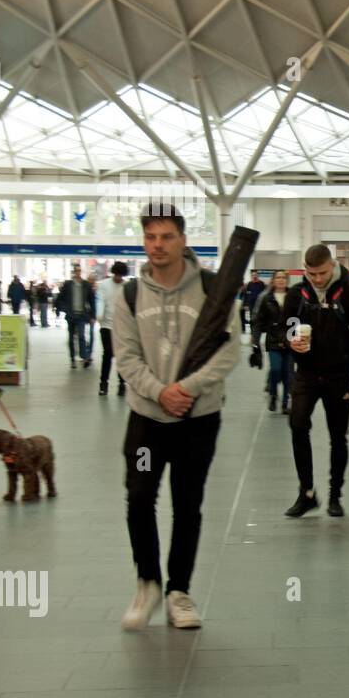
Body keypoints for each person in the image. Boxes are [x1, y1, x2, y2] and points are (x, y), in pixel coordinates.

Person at [113, 203, 239, 631]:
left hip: (198, 419)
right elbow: (125, 357)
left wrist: (187, 389)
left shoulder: (211, 288)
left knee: (188, 504)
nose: (157, 245)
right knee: (139, 497)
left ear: (183, 240)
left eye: (166, 237)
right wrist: (160, 392)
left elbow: (229, 350)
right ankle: (147, 581)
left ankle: (179, 592)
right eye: (150, 237)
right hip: (147, 420)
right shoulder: (129, 295)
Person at [282, 246, 349, 518]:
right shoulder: (296, 294)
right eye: (312, 273)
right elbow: (286, 327)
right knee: (297, 424)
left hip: (338, 374)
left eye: (323, 273)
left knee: (338, 436)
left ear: (332, 265)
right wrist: (292, 343)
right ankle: (307, 492)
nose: (318, 279)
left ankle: (336, 494)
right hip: (307, 373)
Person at [252, 270, 293, 414]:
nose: (281, 280)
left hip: (290, 341)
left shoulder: (293, 297)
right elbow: (258, 322)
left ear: (287, 280)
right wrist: (255, 341)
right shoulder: (266, 298)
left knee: (288, 373)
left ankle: (285, 403)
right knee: (275, 369)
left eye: (283, 277)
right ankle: (273, 395)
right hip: (273, 341)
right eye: (278, 278)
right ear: (273, 280)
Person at [96, 262, 128, 397]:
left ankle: (122, 384)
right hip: (106, 326)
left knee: (121, 356)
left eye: (120, 276)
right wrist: (100, 313)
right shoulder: (104, 285)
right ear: (113, 273)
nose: (118, 278)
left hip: (122, 326)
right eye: (116, 275)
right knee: (107, 354)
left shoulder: (126, 286)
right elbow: (100, 300)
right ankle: (104, 384)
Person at [57, 265, 95, 369]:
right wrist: (64, 309)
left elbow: (91, 301)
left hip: (82, 315)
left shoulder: (86, 285)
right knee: (70, 338)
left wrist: (93, 315)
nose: (78, 272)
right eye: (76, 271)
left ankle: (84, 357)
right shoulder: (68, 284)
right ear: (73, 272)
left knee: (82, 336)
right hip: (71, 316)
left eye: (79, 270)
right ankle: (72, 359)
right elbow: (60, 298)